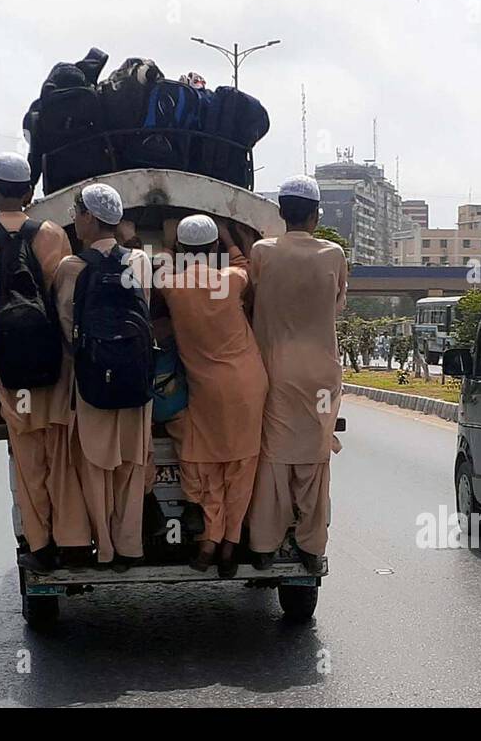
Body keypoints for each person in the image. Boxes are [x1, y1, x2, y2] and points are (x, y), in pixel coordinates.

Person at [0, 153, 90, 572]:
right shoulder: (52, 234)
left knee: (28, 454)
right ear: (30, 192)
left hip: (12, 369)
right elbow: (66, 289)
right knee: (61, 451)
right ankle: (72, 540)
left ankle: (41, 545)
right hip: (55, 361)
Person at [246, 175, 347, 574]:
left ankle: (265, 543)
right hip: (321, 374)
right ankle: (311, 543)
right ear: (316, 214)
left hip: (273, 370)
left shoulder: (261, 252)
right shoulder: (334, 254)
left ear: (280, 213)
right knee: (315, 456)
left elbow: (251, 295)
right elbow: (337, 303)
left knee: (274, 455)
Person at [156, 214, 268, 576]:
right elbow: (244, 265)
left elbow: (158, 262)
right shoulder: (231, 280)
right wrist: (230, 238)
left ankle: (210, 537)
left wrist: (168, 243)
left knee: (208, 463)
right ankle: (230, 543)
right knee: (241, 462)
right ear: (214, 249)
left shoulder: (170, 285)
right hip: (247, 382)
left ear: (183, 250)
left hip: (203, 388)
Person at [53, 183, 153, 571]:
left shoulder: (70, 268)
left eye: (78, 214)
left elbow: (66, 326)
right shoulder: (141, 263)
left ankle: (105, 548)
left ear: (90, 218)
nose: (76, 221)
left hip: (92, 379)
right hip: (135, 379)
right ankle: (130, 547)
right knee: (132, 463)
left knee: (96, 465)